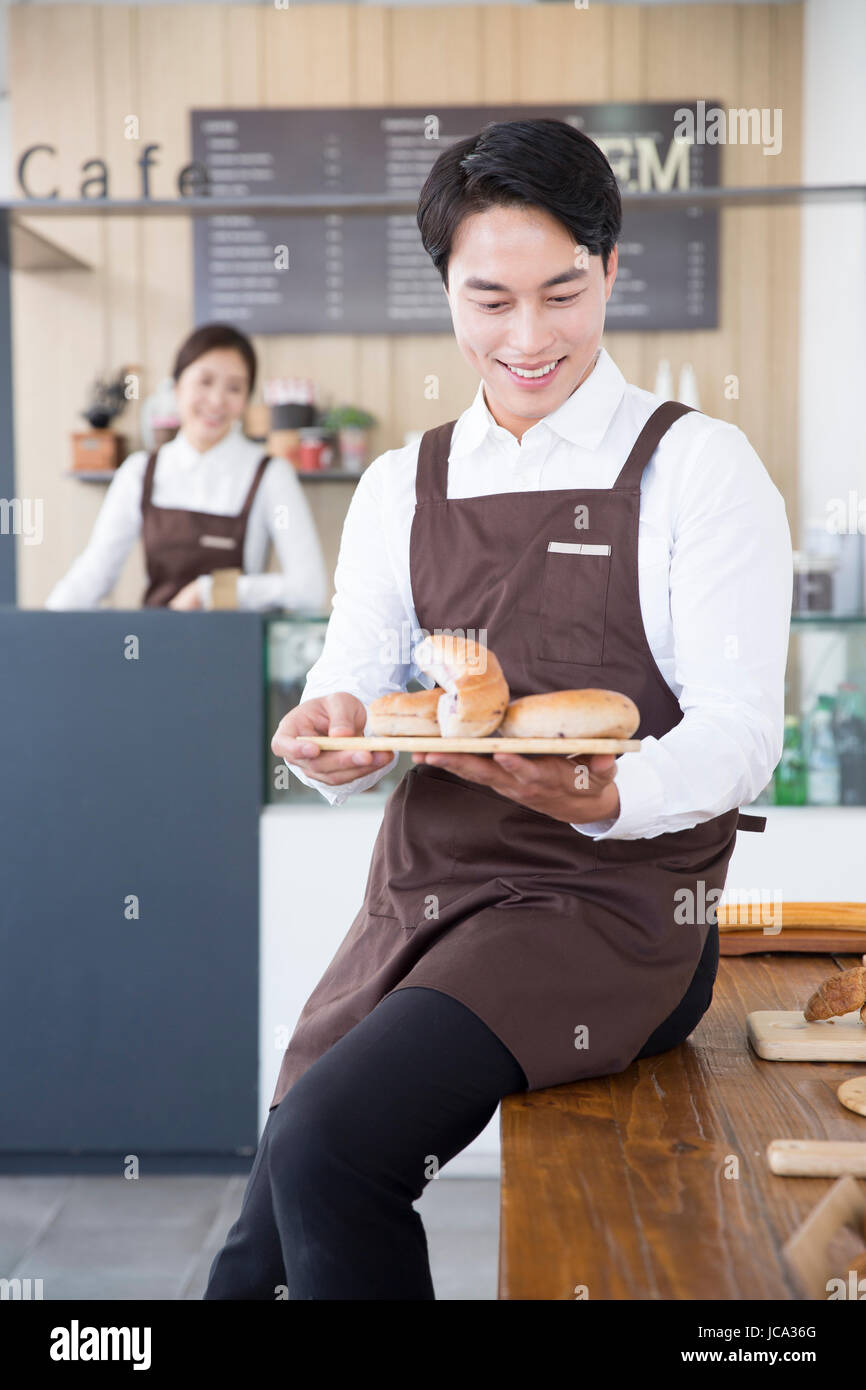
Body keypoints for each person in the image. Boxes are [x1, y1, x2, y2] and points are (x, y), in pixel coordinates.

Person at [203, 119, 792, 1300]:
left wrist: (609, 791)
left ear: (611, 269)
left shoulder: (696, 468)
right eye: (489, 300)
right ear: (446, 295)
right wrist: (328, 737)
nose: (528, 339)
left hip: (617, 908)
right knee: (251, 1256)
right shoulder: (398, 485)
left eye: (561, 292)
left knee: (330, 1146)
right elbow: (357, 686)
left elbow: (739, 732)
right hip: (423, 897)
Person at [44, 323, 328, 612]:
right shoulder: (139, 472)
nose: (217, 400)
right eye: (205, 382)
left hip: (236, 650)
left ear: (245, 401)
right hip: (152, 649)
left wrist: (209, 591)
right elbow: (93, 575)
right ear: (177, 387)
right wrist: (39, 632)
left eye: (234, 388)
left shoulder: (271, 474)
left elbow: (308, 589)